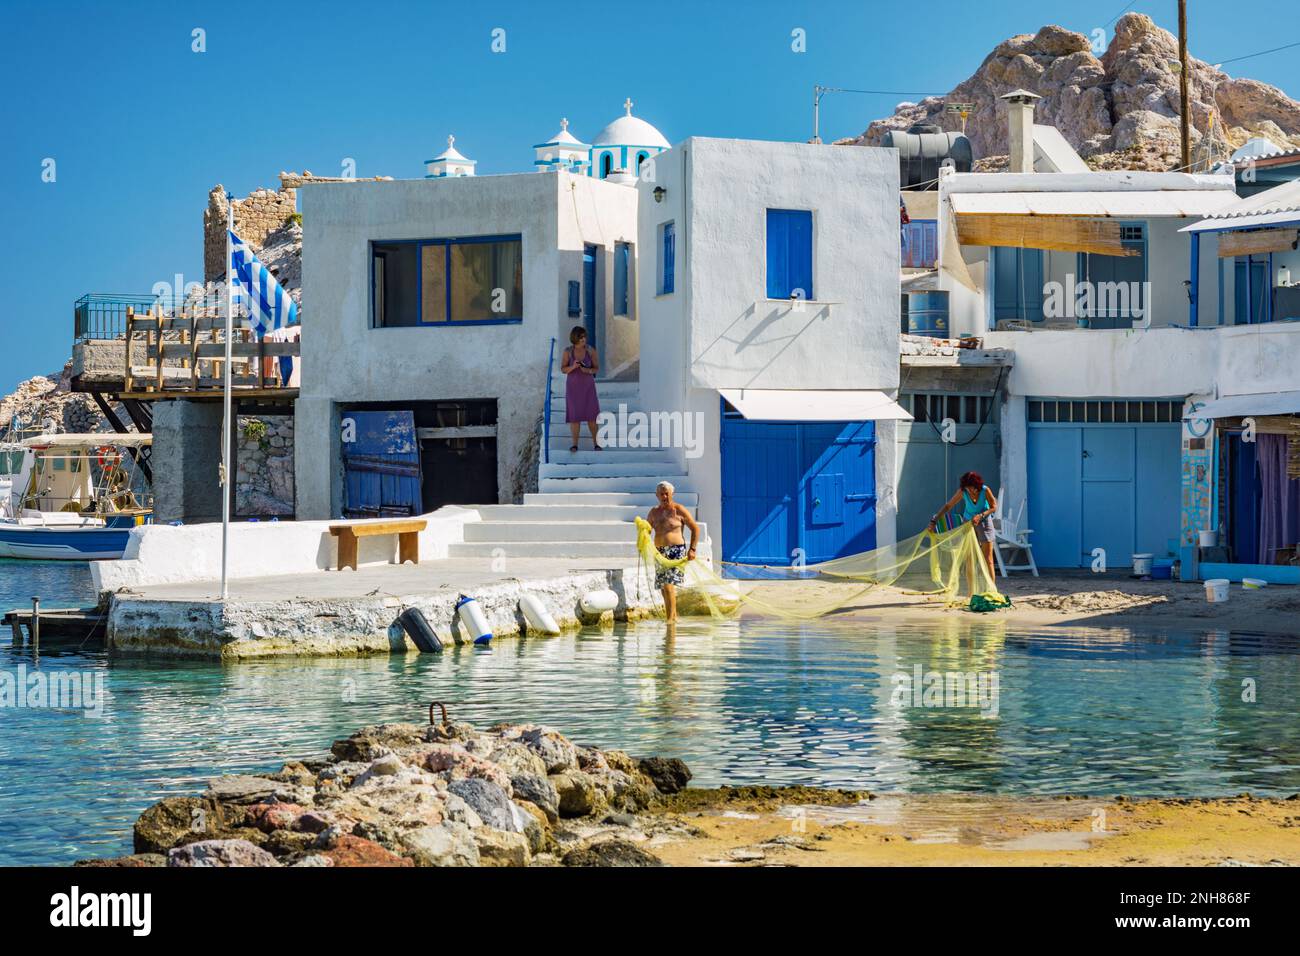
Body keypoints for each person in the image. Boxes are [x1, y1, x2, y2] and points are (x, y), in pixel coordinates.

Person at [929, 471, 998, 584]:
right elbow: (948, 506)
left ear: (978, 486)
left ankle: (992, 591)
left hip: (984, 521)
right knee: (969, 559)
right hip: (968, 523)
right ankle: (971, 592)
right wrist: (934, 520)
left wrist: (981, 516)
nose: (971, 491)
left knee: (988, 559)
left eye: (973, 488)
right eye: (968, 488)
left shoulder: (985, 490)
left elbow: (993, 507)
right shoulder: (962, 492)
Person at [646, 480, 700, 622]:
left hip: (676, 552)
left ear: (672, 493)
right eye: (661, 494)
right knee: (663, 588)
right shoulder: (653, 512)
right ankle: (674, 616)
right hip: (659, 552)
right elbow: (647, 530)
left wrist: (692, 549)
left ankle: (669, 621)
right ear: (656, 495)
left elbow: (695, 528)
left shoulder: (679, 510)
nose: (664, 497)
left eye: (667, 494)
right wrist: (642, 534)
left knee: (668, 585)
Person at [561, 326, 601, 452]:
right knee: (575, 417)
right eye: (581, 337)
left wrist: (587, 370)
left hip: (588, 387)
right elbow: (563, 369)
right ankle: (574, 444)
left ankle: (596, 443)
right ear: (575, 337)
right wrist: (573, 367)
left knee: (592, 417)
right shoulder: (568, 351)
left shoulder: (590, 350)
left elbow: (596, 368)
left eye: (585, 336)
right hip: (573, 388)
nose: (584, 339)